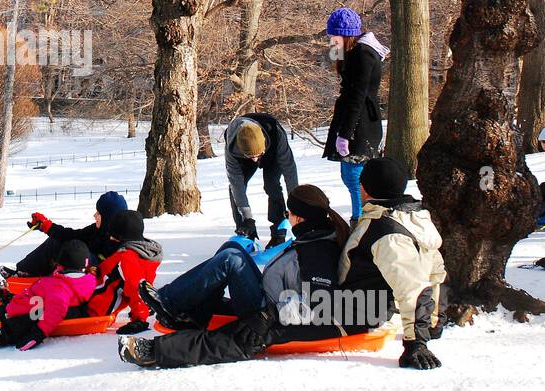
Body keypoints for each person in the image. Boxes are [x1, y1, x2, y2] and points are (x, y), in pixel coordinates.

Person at [120, 157, 447, 372]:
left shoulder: (387, 232)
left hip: (342, 312)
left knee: (248, 330)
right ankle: (183, 311)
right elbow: (434, 274)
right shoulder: (410, 219)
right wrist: (435, 320)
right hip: (341, 307)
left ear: (366, 188)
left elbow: (412, 288)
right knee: (236, 285)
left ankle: (158, 349)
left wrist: (416, 341)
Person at [137, 185, 350, 335]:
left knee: (231, 259)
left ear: (300, 218)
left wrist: (277, 314)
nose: (287, 217)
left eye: (288, 212)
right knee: (232, 247)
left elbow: (318, 299)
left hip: (268, 314)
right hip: (268, 299)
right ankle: (193, 315)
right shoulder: (313, 237)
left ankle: (169, 303)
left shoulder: (319, 250)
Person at [323, 8, 390, 223]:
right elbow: (342, 78)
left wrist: (345, 133)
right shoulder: (350, 51)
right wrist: (336, 50)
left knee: (355, 177)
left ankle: (360, 221)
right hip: (351, 118)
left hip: (362, 124)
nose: (332, 40)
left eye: (335, 36)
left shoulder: (363, 55)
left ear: (347, 34)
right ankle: (362, 218)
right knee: (348, 175)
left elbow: (357, 97)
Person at [0, 191, 127, 278]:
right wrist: (47, 227)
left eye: (98, 214)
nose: (94, 216)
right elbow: (73, 236)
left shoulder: (122, 239)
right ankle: (24, 271)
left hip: (95, 277)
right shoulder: (98, 229)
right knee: (56, 242)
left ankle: (53, 284)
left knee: (73, 251)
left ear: (109, 218)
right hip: (84, 268)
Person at [83, 209, 163, 335]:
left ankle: (142, 311)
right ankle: (146, 305)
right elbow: (111, 263)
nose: (110, 237)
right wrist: (98, 271)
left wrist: (139, 318)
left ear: (121, 236)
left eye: (113, 234)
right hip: (117, 295)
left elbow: (136, 286)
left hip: (102, 305)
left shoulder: (127, 257)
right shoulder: (141, 249)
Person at [223, 113, 299, 244]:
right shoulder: (232, 148)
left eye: (258, 155)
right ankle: (246, 233)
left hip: (272, 153)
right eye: (252, 156)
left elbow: (289, 171)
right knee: (235, 190)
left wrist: (295, 205)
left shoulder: (276, 134)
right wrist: (247, 218)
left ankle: (278, 233)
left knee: (271, 184)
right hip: (242, 157)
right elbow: (236, 184)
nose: (256, 160)